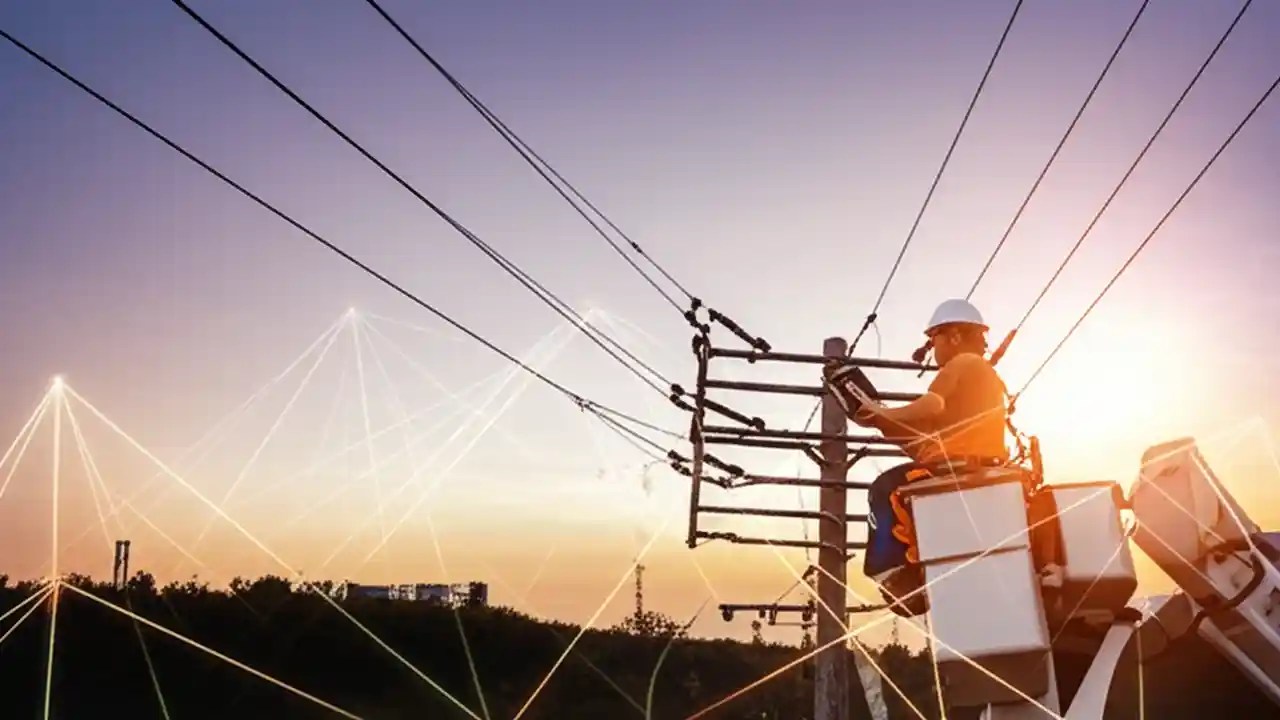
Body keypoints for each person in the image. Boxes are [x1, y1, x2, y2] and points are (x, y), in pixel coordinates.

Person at [824, 298, 1010, 614]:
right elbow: (919, 442)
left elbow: (931, 405)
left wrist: (882, 412)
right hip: (965, 467)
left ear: (953, 336)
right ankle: (915, 569)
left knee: (887, 489)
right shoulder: (978, 381)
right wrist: (876, 416)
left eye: (933, 340)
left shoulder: (963, 363)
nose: (933, 350)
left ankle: (898, 575)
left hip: (962, 470)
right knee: (906, 488)